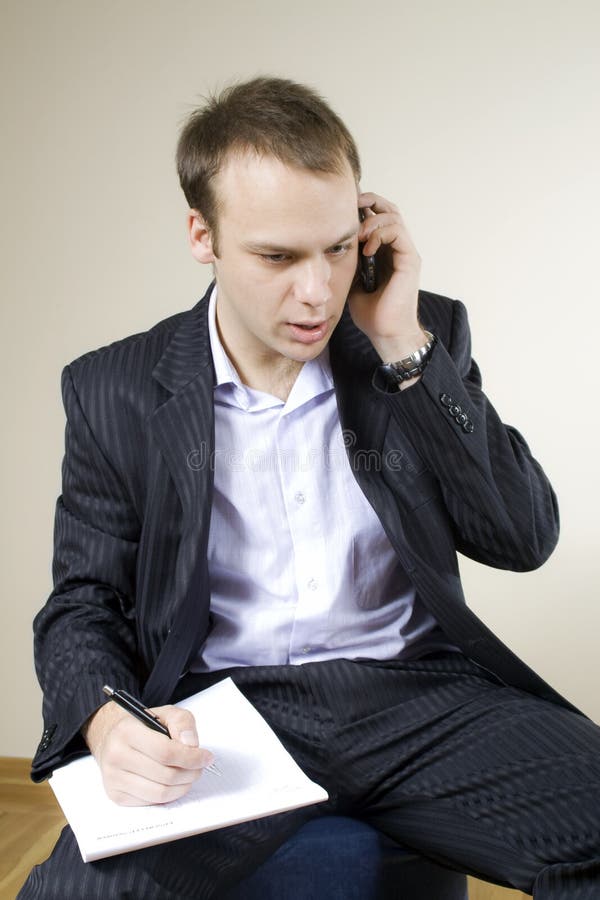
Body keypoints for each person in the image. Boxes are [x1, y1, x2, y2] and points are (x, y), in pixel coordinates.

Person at [19, 77, 600, 899]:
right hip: (227, 715)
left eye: (336, 247)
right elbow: (82, 601)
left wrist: (403, 346)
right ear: (202, 235)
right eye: (278, 256)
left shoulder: (415, 338)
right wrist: (109, 720)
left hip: (417, 698)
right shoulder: (114, 388)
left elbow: (521, 537)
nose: (318, 291)